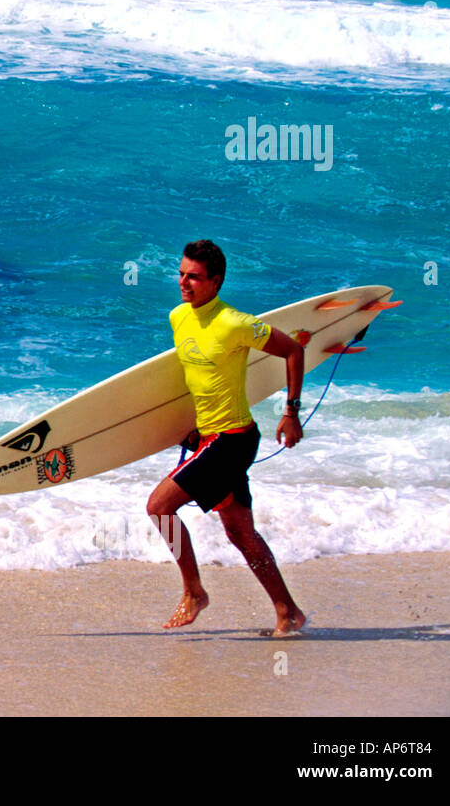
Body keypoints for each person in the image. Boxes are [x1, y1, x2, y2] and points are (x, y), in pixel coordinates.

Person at [146, 239, 307, 637]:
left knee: (159, 506)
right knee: (240, 533)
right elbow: (202, 379)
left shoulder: (236, 323)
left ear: (215, 282)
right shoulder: (178, 317)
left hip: (233, 440)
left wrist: (290, 413)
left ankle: (194, 591)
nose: (184, 283)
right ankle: (288, 612)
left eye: (195, 278)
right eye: (181, 274)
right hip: (209, 438)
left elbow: (292, 350)